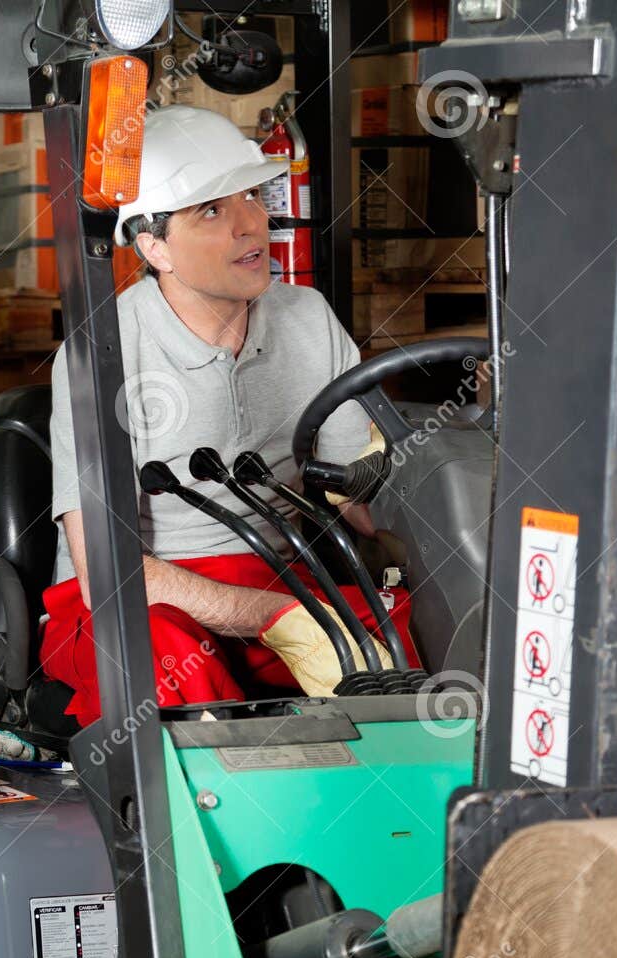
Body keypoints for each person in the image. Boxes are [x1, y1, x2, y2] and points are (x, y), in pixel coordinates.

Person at [42, 105, 413, 725]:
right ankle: (224, 812)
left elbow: (360, 500)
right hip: (152, 595)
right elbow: (107, 574)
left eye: (251, 197)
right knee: (161, 656)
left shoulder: (309, 317)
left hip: (282, 576)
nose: (251, 226)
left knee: (412, 622)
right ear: (153, 245)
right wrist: (277, 618)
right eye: (212, 210)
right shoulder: (102, 355)